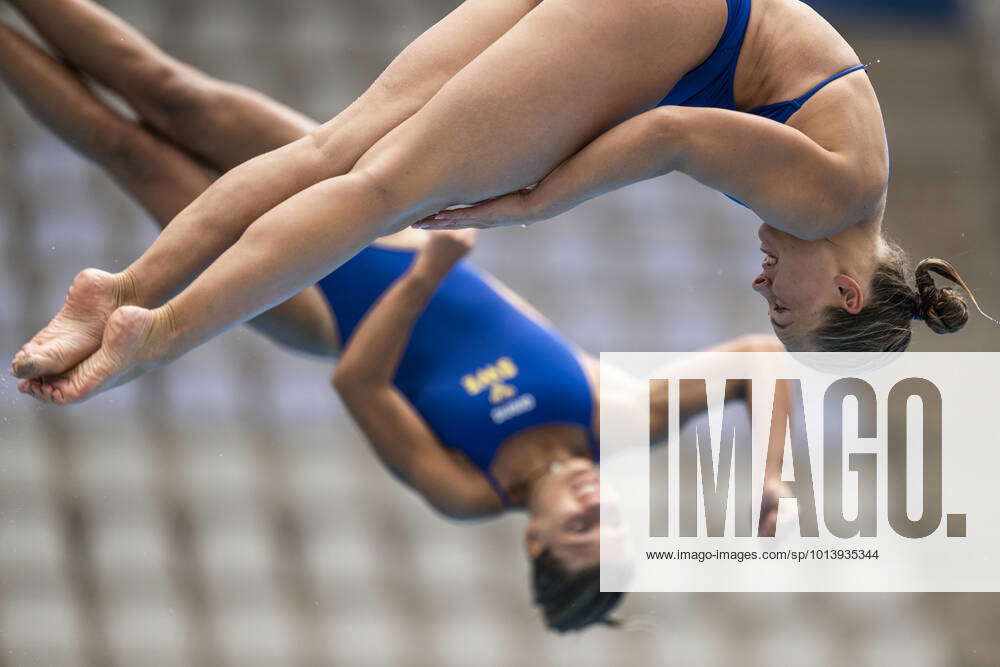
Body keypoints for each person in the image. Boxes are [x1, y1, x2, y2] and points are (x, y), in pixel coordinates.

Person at [0, 9, 787, 631]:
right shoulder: (621, 421)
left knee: (126, 149)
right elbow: (757, 356)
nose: (595, 504)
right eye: (611, 520)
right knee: (174, 95)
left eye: (583, 530)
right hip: (379, 223)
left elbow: (358, 382)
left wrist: (422, 282)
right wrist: (771, 473)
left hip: (317, 310)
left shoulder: (467, 490)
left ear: (535, 540)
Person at [9, 0, 982, 406]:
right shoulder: (832, 201)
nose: (761, 278)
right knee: (379, 189)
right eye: (781, 300)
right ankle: (163, 329)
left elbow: (685, 132)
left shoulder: (850, 179)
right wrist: (538, 201)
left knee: (334, 151)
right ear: (849, 294)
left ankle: (119, 289)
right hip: (681, 24)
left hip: (687, 26)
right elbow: (670, 136)